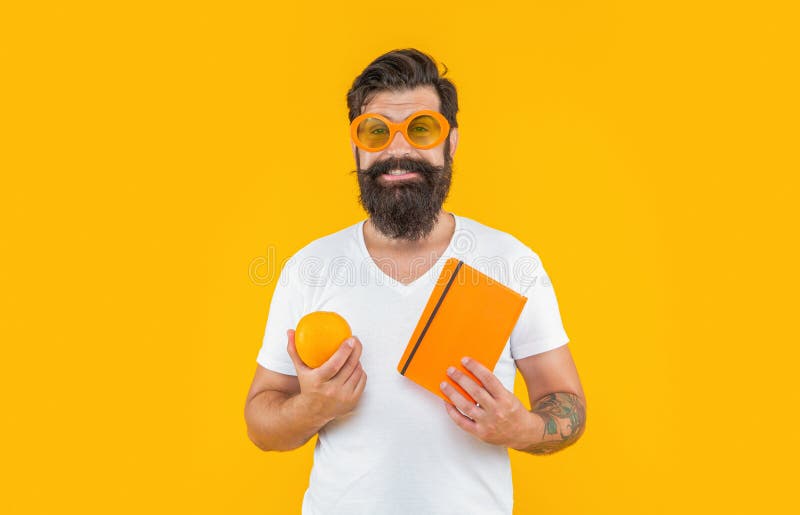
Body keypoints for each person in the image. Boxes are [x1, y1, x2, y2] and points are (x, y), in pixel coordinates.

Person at [244, 48, 587, 515]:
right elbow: (261, 424)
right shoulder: (310, 267)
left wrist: (522, 427)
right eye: (377, 131)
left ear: (452, 142)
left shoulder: (510, 262)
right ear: (356, 147)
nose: (399, 149)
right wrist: (313, 407)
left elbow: (567, 402)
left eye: (421, 128)